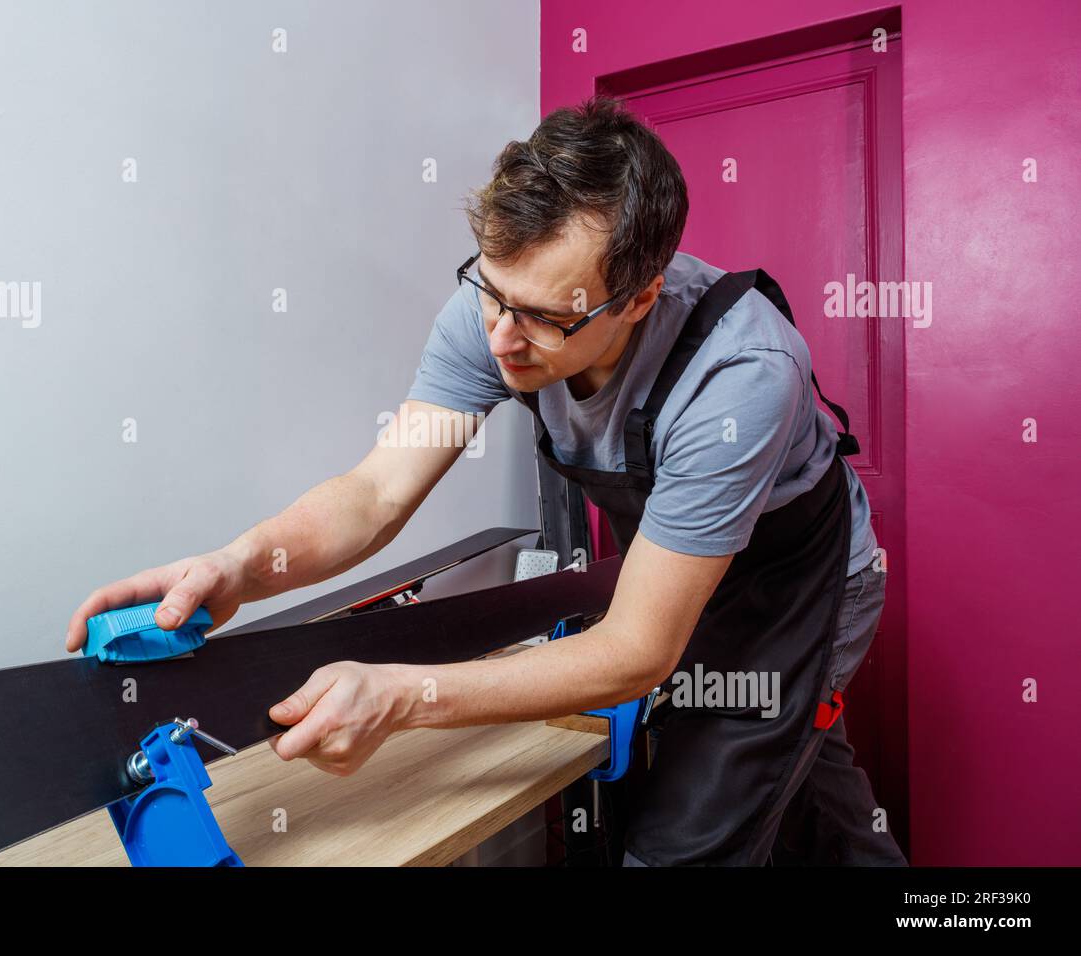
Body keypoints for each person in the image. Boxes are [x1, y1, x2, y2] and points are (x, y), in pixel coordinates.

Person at [66, 96, 906, 866]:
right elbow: (376, 494)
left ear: (642, 296)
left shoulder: (740, 374)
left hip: (793, 586)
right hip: (677, 571)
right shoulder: (498, 310)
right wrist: (243, 566)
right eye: (494, 294)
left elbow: (637, 650)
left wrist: (405, 697)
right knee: (798, 763)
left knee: (693, 832)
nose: (505, 338)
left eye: (546, 318)